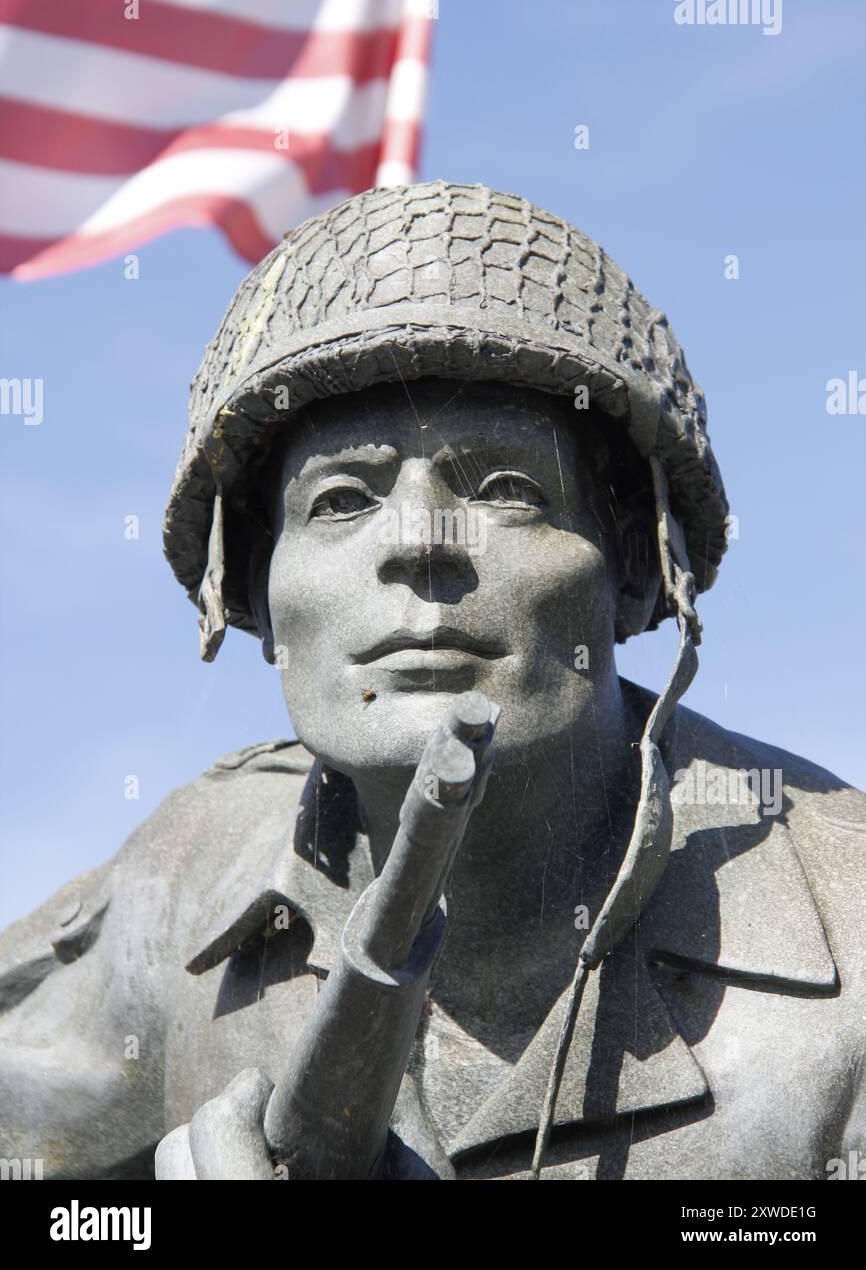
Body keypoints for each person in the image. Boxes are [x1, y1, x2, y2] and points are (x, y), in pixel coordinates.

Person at [2, 182, 864, 1181]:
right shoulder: (183, 883)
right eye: (337, 499)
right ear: (250, 592)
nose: (417, 542)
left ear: (632, 566)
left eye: (505, 488)